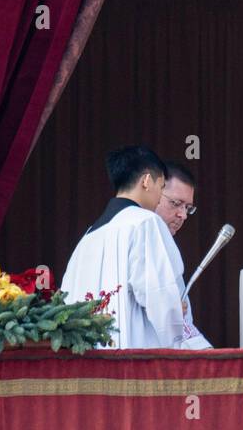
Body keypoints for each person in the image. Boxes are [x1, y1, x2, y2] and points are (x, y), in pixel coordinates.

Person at [60, 146, 189, 349]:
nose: (159, 197)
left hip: (87, 356)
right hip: (131, 357)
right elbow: (158, 296)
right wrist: (175, 311)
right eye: (161, 186)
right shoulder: (145, 222)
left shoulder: (87, 237)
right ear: (147, 181)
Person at [153, 161, 211, 348]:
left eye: (188, 208)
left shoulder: (164, 243)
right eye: (176, 204)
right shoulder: (138, 237)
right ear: (152, 193)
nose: (183, 215)